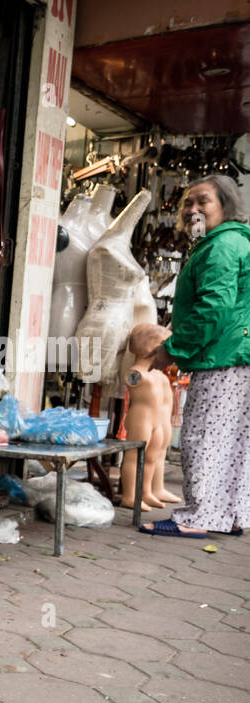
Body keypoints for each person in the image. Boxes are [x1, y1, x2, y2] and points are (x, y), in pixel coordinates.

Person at [133, 175, 250, 539]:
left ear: (226, 207)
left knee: (203, 437)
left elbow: (213, 307)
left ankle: (197, 517)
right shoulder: (229, 242)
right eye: (187, 203)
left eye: (203, 201)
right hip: (237, 356)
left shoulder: (223, 245)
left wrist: (173, 349)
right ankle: (228, 514)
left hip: (224, 357)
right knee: (234, 440)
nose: (193, 209)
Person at [118, 323, 181, 511]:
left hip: (160, 422)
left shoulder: (159, 374)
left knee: (156, 456)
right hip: (141, 420)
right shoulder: (136, 373)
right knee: (134, 456)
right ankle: (129, 495)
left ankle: (150, 490)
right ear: (151, 347)